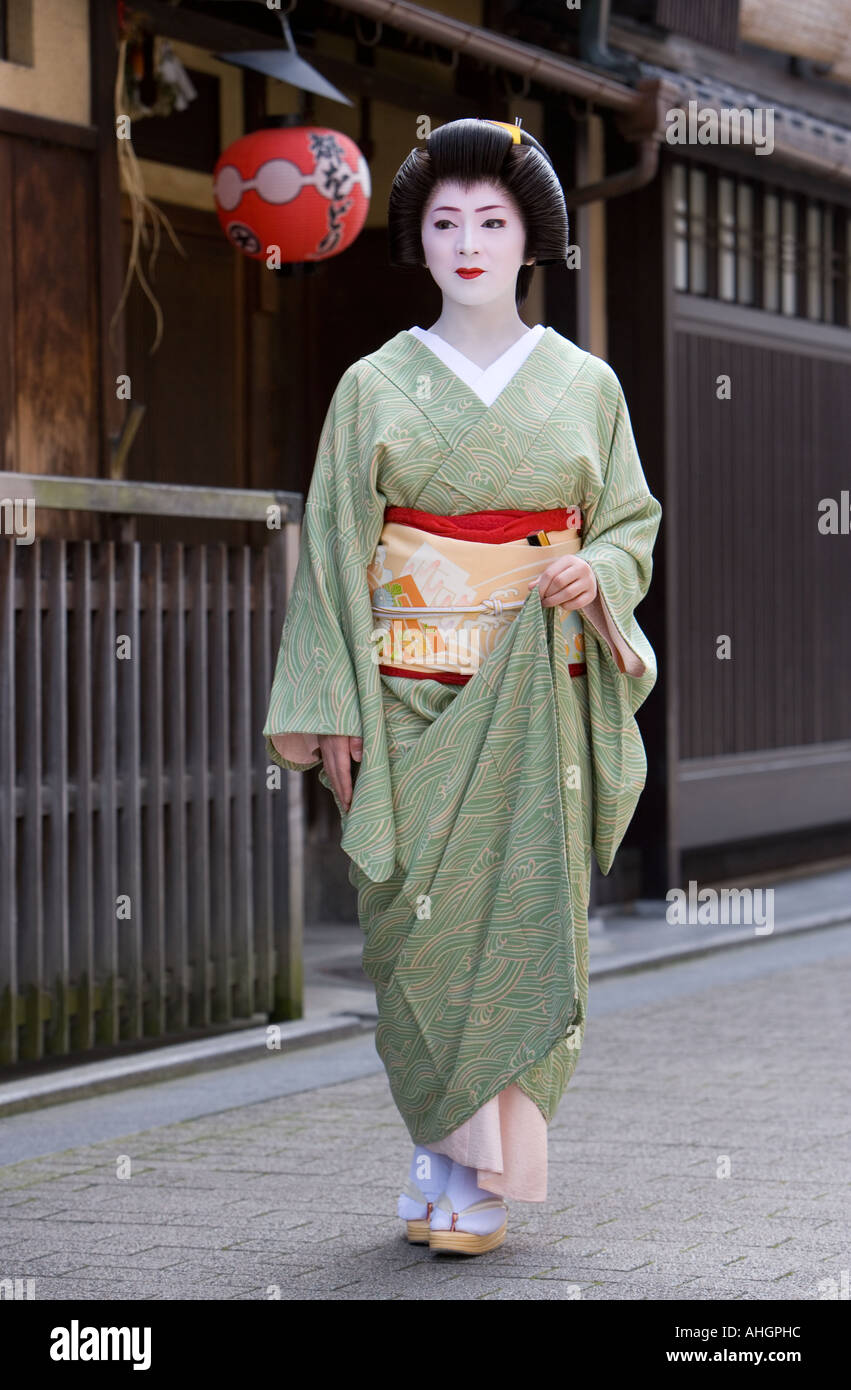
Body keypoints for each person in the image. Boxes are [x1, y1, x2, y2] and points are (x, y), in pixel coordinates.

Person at [264, 117, 661, 1257]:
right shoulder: (372, 384)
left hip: (536, 693)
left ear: (528, 237)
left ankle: (480, 1176)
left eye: (491, 221)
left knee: (520, 928)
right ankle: (440, 1151)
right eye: (444, 222)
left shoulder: (584, 386)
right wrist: (330, 702)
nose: (469, 242)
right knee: (416, 940)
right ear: (418, 242)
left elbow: (628, 521)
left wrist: (598, 570)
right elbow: (336, 546)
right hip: (406, 695)